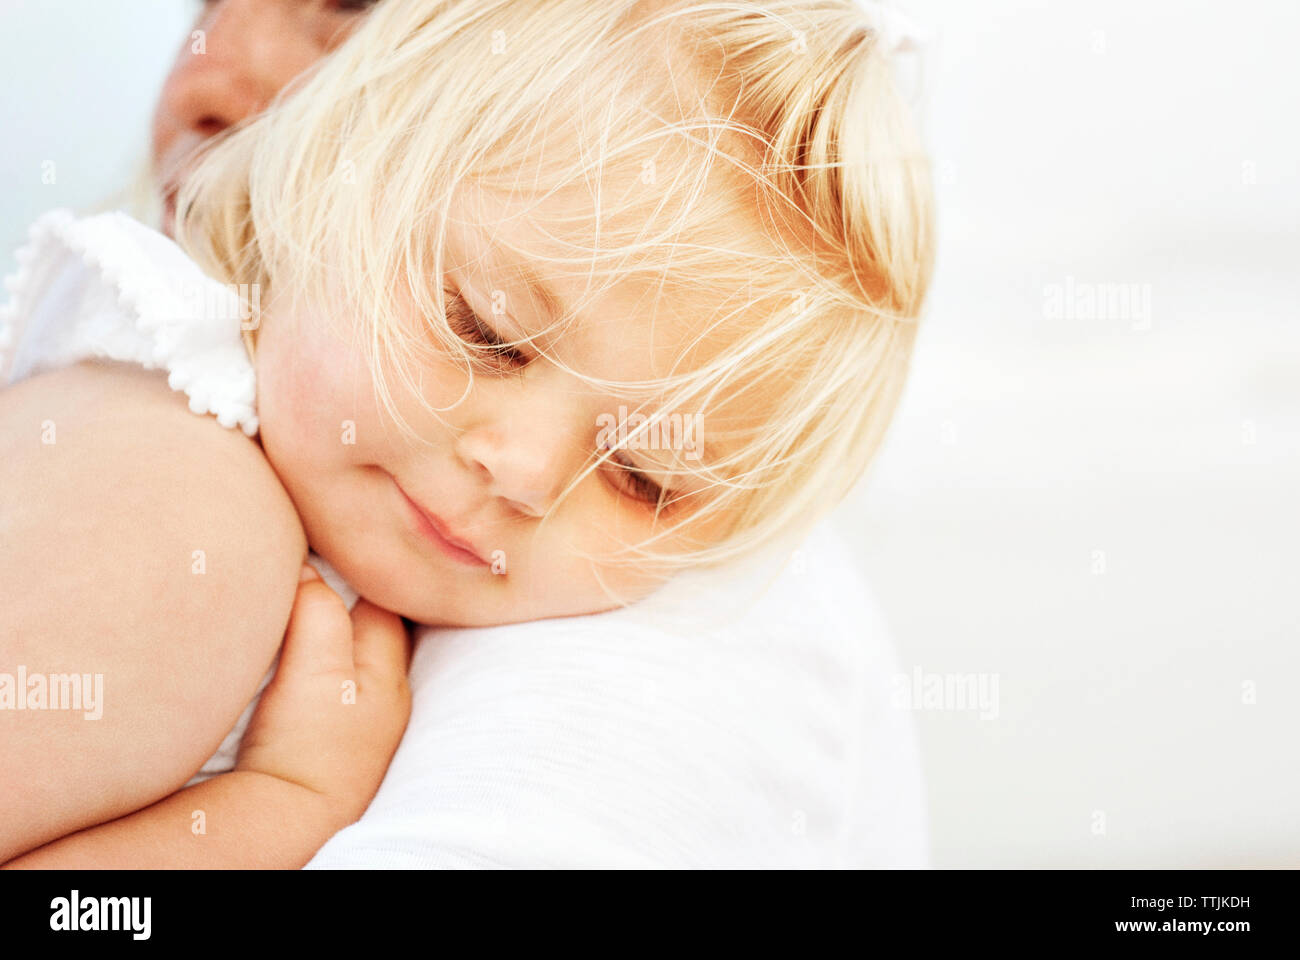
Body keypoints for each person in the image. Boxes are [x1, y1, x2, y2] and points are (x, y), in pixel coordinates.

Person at [0, 0, 932, 867]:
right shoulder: (179, 501)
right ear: (327, 162)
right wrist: (281, 803)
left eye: (643, 476)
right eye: (486, 331)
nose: (526, 473)